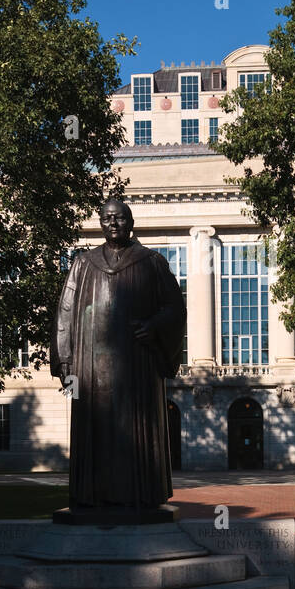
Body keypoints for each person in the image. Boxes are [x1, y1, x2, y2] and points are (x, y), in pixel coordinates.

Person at [51, 199, 186, 515]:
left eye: (120, 218)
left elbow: (175, 309)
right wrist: (66, 360)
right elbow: (65, 313)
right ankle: (93, 496)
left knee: (136, 427)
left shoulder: (152, 262)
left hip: (137, 363)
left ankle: (139, 495)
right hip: (90, 363)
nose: (113, 224)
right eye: (107, 218)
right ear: (100, 223)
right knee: (94, 428)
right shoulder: (83, 265)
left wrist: (154, 326)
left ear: (131, 222)